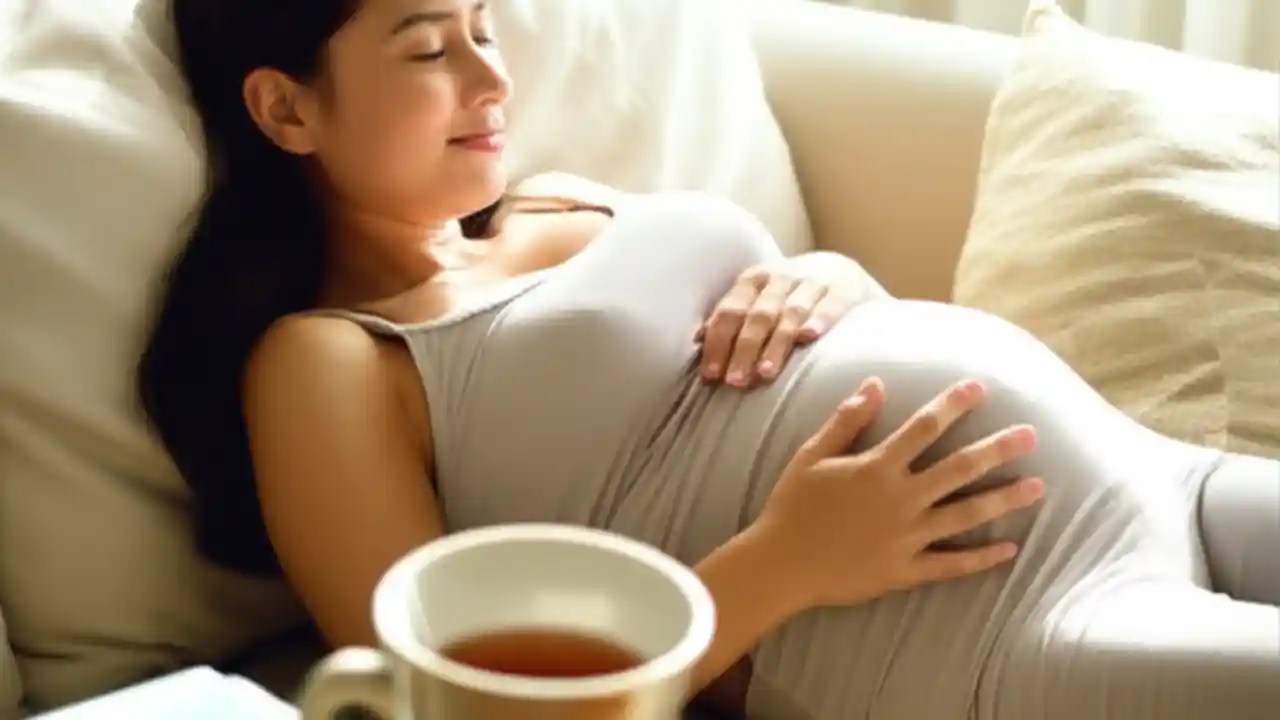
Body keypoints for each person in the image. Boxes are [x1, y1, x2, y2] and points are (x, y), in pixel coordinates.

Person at [137, 1, 1280, 718]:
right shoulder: (325, 359)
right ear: (286, 109)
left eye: (484, 28)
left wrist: (834, 278)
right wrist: (786, 561)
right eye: (430, 46)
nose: (491, 81)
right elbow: (438, 697)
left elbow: (745, 354)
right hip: (997, 630)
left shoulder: (557, 199)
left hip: (1160, 471)